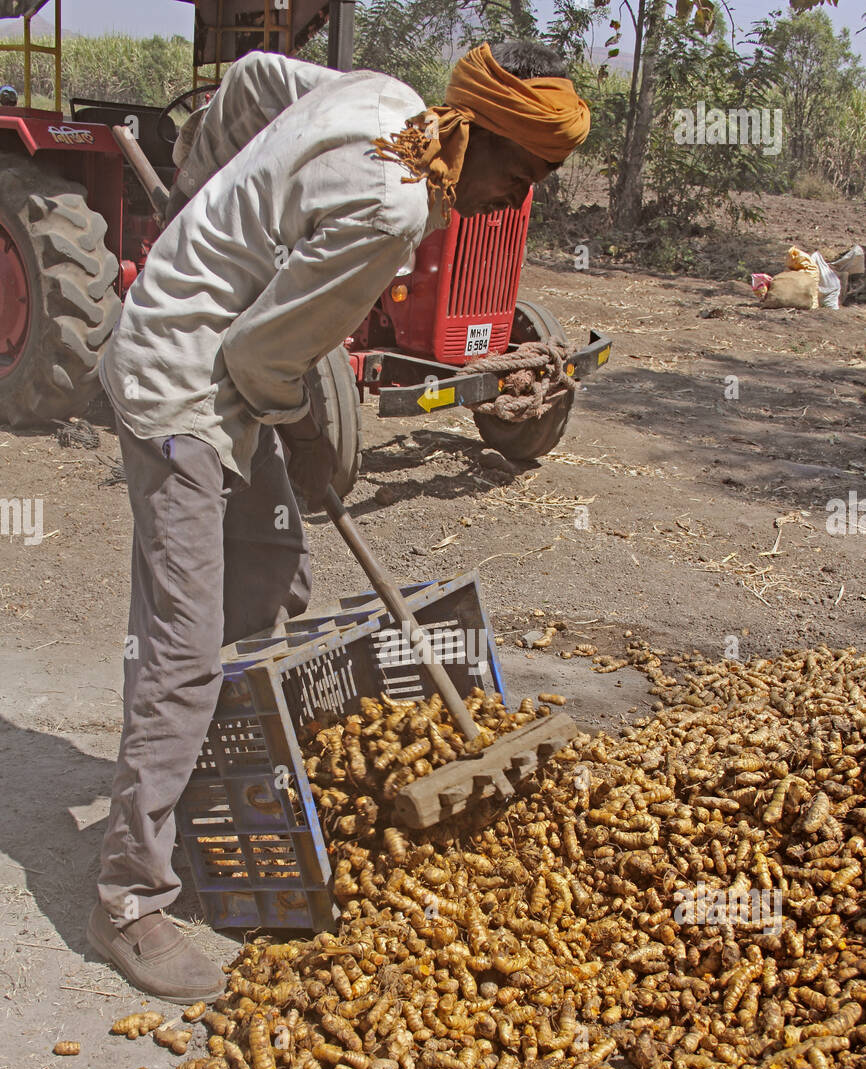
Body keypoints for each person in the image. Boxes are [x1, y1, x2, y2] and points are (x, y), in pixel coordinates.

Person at [88, 39, 590, 1003]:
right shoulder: (394, 210)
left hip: (230, 366)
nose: (516, 196)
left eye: (537, 181)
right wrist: (310, 434)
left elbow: (254, 81)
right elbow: (260, 360)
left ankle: (220, 788)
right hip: (178, 384)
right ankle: (130, 896)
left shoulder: (386, 96)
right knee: (184, 645)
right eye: (518, 171)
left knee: (278, 571)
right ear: (476, 129)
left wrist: (199, 197)